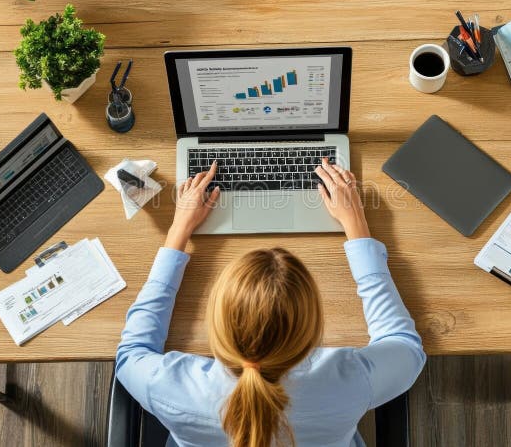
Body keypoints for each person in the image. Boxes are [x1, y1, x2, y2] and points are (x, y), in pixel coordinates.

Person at [116, 159, 426, 447]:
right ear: (314, 331)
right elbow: (405, 347)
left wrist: (178, 230)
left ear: (217, 324)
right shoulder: (350, 381)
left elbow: (131, 353)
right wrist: (357, 227)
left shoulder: (168, 385)